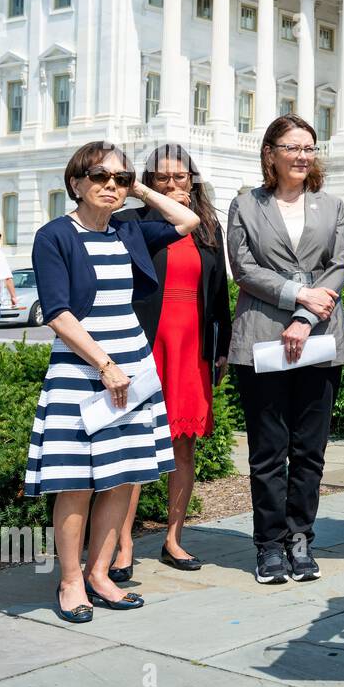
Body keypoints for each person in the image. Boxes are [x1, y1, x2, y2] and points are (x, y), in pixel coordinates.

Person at [25, 141, 200, 622]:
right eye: (99, 177)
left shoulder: (129, 229)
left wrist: (138, 187)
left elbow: (188, 222)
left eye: (118, 179)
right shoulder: (55, 236)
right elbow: (57, 312)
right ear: (76, 182)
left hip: (133, 368)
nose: (109, 186)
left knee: (122, 478)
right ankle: (69, 581)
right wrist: (104, 364)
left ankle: (100, 574)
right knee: (77, 482)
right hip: (85, 370)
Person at [227, 115, 344, 585]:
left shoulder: (332, 205)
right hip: (262, 337)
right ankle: (268, 546)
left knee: (309, 450)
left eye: (309, 147)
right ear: (271, 153)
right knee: (267, 451)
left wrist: (305, 317)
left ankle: (300, 539)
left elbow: (339, 265)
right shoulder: (245, 205)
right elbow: (242, 268)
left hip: (320, 337)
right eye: (293, 147)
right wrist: (297, 295)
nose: (303, 155)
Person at [108, 143, 232, 580]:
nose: (174, 184)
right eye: (163, 178)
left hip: (192, 348)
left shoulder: (208, 228)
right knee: (136, 446)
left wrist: (222, 347)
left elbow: (219, 296)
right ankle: (122, 545)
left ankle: (173, 539)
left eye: (181, 177)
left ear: (192, 180)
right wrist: (146, 198)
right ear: (148, 182)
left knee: (184, 446)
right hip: (144, 345)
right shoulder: (132, 224)